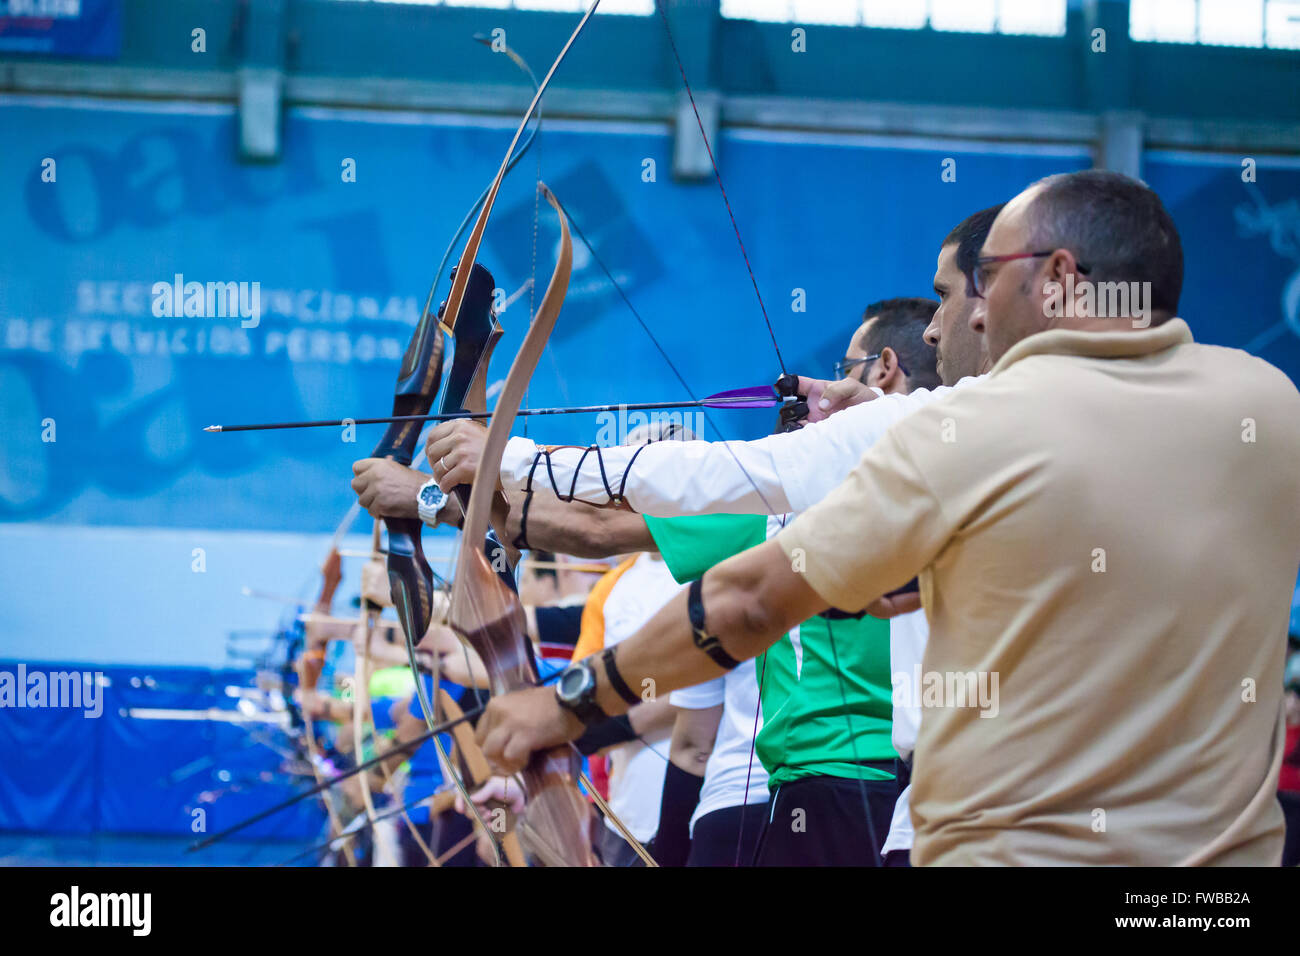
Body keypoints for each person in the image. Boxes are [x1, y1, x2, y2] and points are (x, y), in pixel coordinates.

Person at [474, 170, 1300, 866]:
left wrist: (561, 704)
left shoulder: (962, 428)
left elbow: (748, 601)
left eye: (984, 280)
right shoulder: (1266, 404)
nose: (967, 317)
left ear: (1056, 276)